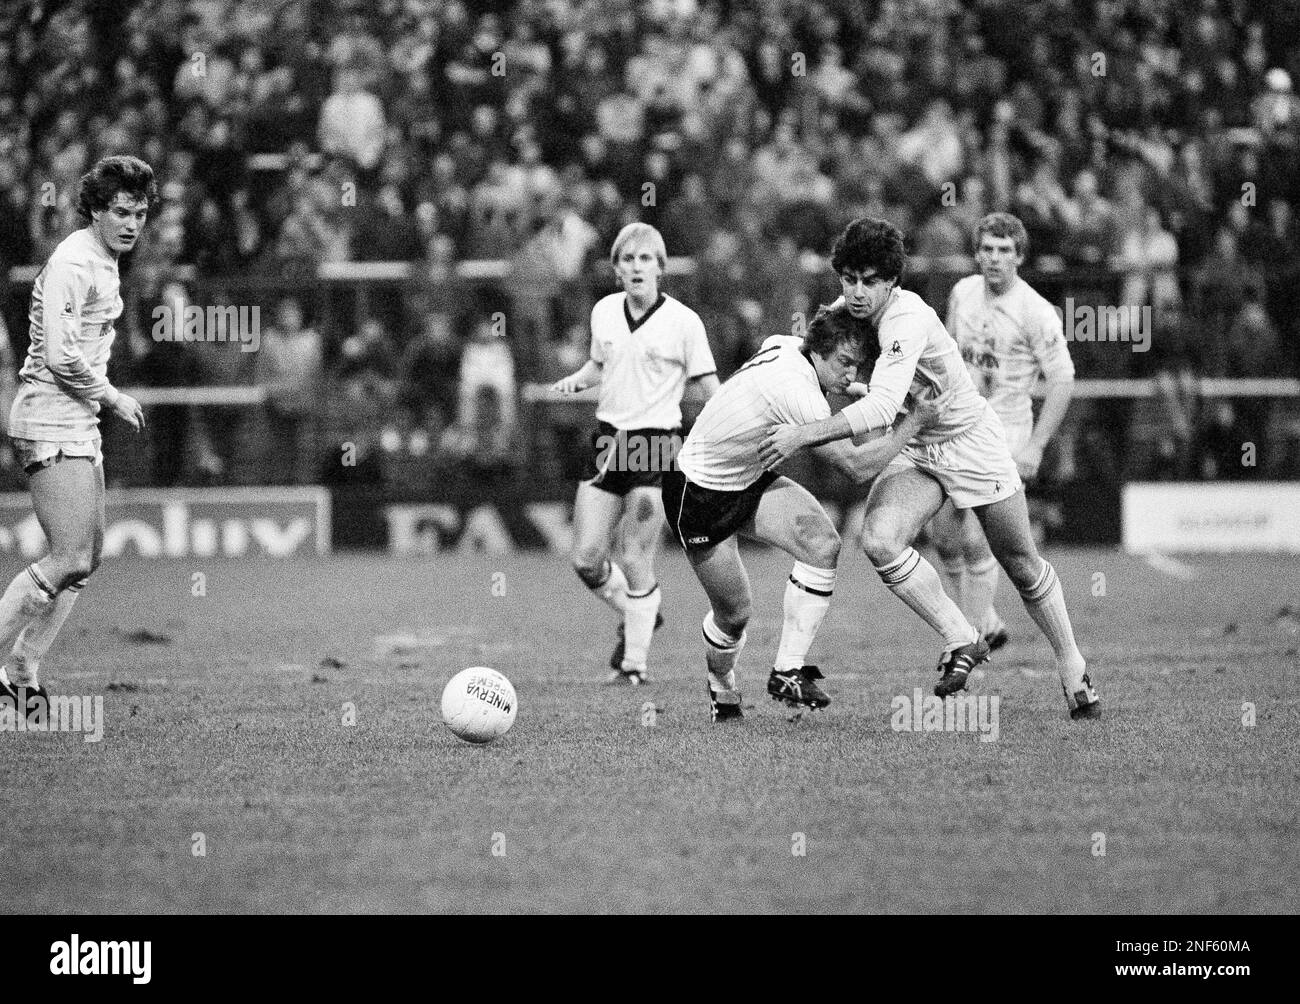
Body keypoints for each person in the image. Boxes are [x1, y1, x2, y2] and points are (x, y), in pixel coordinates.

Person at [759, 218, 1100, 721]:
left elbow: (879, 410)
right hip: (919, 446)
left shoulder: (906, 318)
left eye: (868, 281)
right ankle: (962, 637)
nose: (856, 292)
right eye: (848, 279)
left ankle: (1074, 669)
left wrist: (801, 433)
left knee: (1021, 564)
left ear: (892, 281)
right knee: (879, 541)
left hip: (972, 441)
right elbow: (807, 349)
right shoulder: (849, 309)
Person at [667, 303, 941, 721]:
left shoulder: (788, 343)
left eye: (858, 365)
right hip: (699, 494)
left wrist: (866, 392)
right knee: (734, 615)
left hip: (750, 477)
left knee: (823, 544)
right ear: (820, 350)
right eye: (846, 363)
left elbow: (831, 365)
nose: (851, 374)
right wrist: (913, 422)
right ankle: (722, 684)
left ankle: (787, 670)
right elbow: (858, 466)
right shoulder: (796, 393)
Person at [0, 155, 152, 717]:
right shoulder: (73, 261)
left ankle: (22, 668)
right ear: (94, 209)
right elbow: (62, 358)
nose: (132, 223)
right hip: (48, 415)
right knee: (67, 555)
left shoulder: (106, 260)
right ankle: (12, 667)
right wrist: (113, 396)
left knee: (88, 557)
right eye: (120, 212)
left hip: (77, 418)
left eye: (139, 213)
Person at [552, 223, 719, 684]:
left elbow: (709, 388)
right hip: (609, 442)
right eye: (628, 259)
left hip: (658, 444)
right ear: (617, 269)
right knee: (585, 558)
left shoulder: (684, 322)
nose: (637, 266)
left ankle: (633, 666)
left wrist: (725, 430)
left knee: (635, 554)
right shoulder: (604, 311)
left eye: (646, 259)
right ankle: (641, 610)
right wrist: (577, 380)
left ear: (661, 268)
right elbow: (599, 364)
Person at [930, 213, 1075, 651]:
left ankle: (967, 644)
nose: (994, 259)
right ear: (976, 254)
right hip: (958, 426)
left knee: (979, 539)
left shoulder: (1036, 311)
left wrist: (1036, 445)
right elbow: (950, 351)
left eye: (1004, 250)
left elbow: (1063, 379)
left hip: (1006, 433)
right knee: (944, 536)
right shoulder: (962, 293)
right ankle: (986, 620)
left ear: (1020, 257)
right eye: (987, 249)